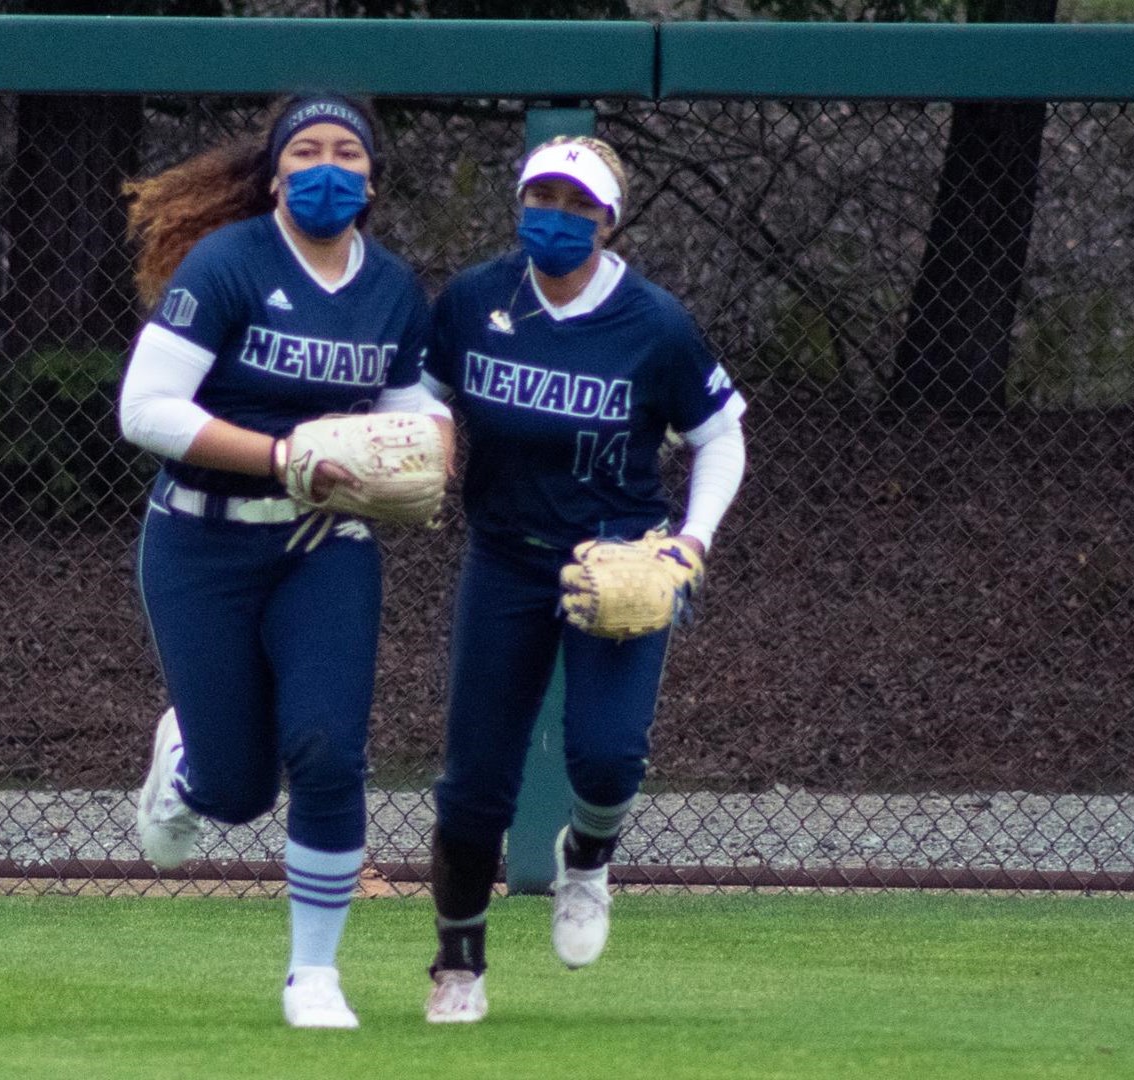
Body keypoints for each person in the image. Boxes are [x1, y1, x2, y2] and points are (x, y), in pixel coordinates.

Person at [116, 94, 450, 1030]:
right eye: (306, 152)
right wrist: (279, 454)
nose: (328, 167)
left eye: (348, 152)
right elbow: (145, 410)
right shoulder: (227, 264)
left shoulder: (389, 288)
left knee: (327, 750)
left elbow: (412, 409)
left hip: (321, 543)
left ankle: (314, 975)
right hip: (202, 538)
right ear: (273, 174)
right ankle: (187, 762)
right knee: (238, 793)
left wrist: (429, 444)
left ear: (373, 178)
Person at [417, 136, 747, 1023]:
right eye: (541, 197)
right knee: (474, 781)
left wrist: (691, 542)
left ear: (609, 218)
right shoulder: (477, 298)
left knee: (604, 755)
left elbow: (720, 434)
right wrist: (426, 436)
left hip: (619, 560)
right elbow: (422, 388)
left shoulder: (653, 323)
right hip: (504, 556)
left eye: (576, 205)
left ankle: (589, 857)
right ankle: (457, 961)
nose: (554, 218)